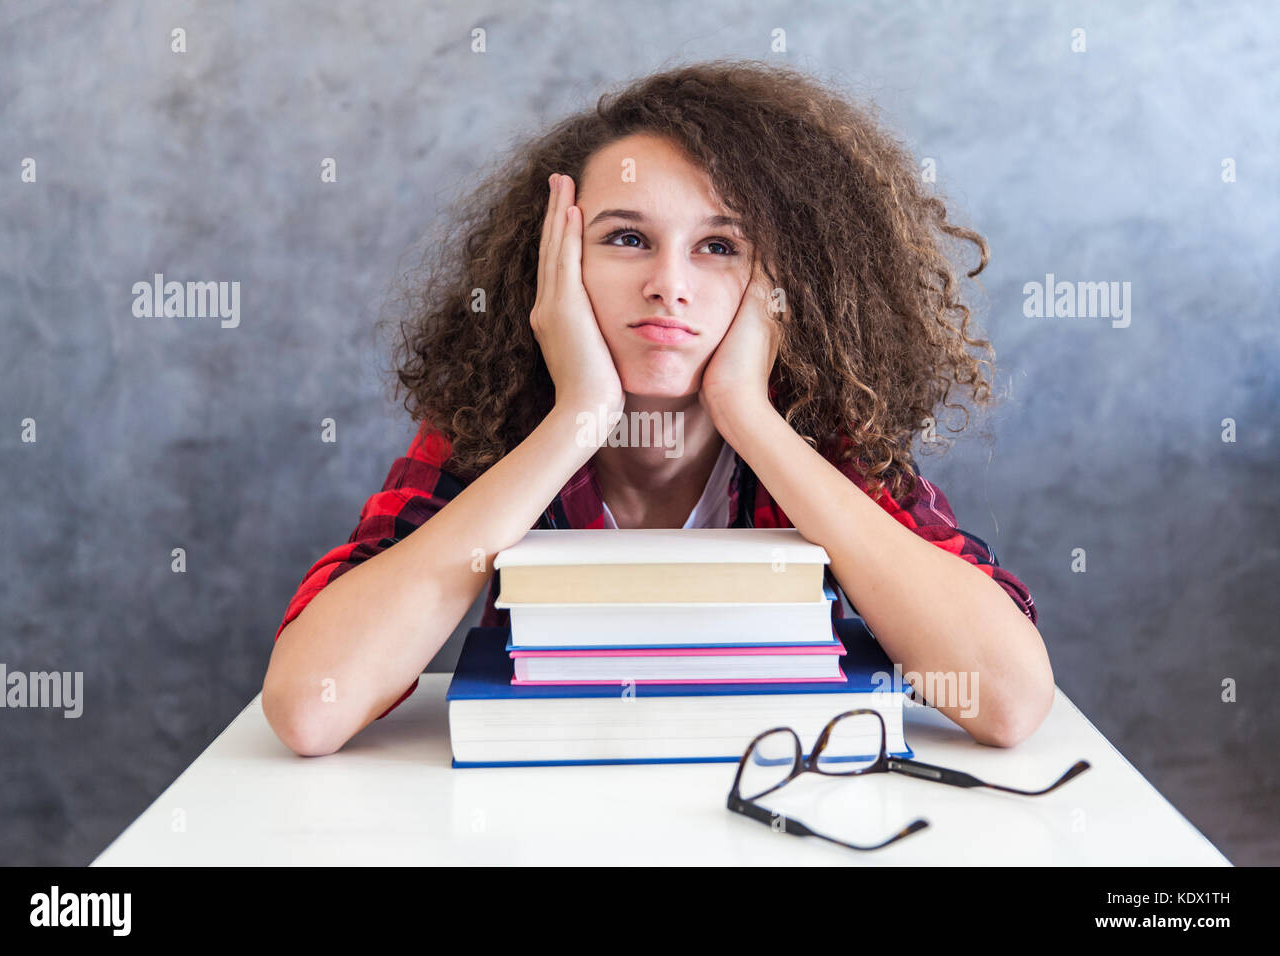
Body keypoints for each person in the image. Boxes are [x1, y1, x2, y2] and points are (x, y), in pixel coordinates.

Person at [263, 60, 1051, 757]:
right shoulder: (498, 421)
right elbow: (308, 709)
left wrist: (748, 413)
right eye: (628, 238)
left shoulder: (814, 428)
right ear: (553, 265)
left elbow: (1008, 701)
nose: (668, 284)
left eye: (720, 247)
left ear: (780, 288)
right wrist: (578, 416)